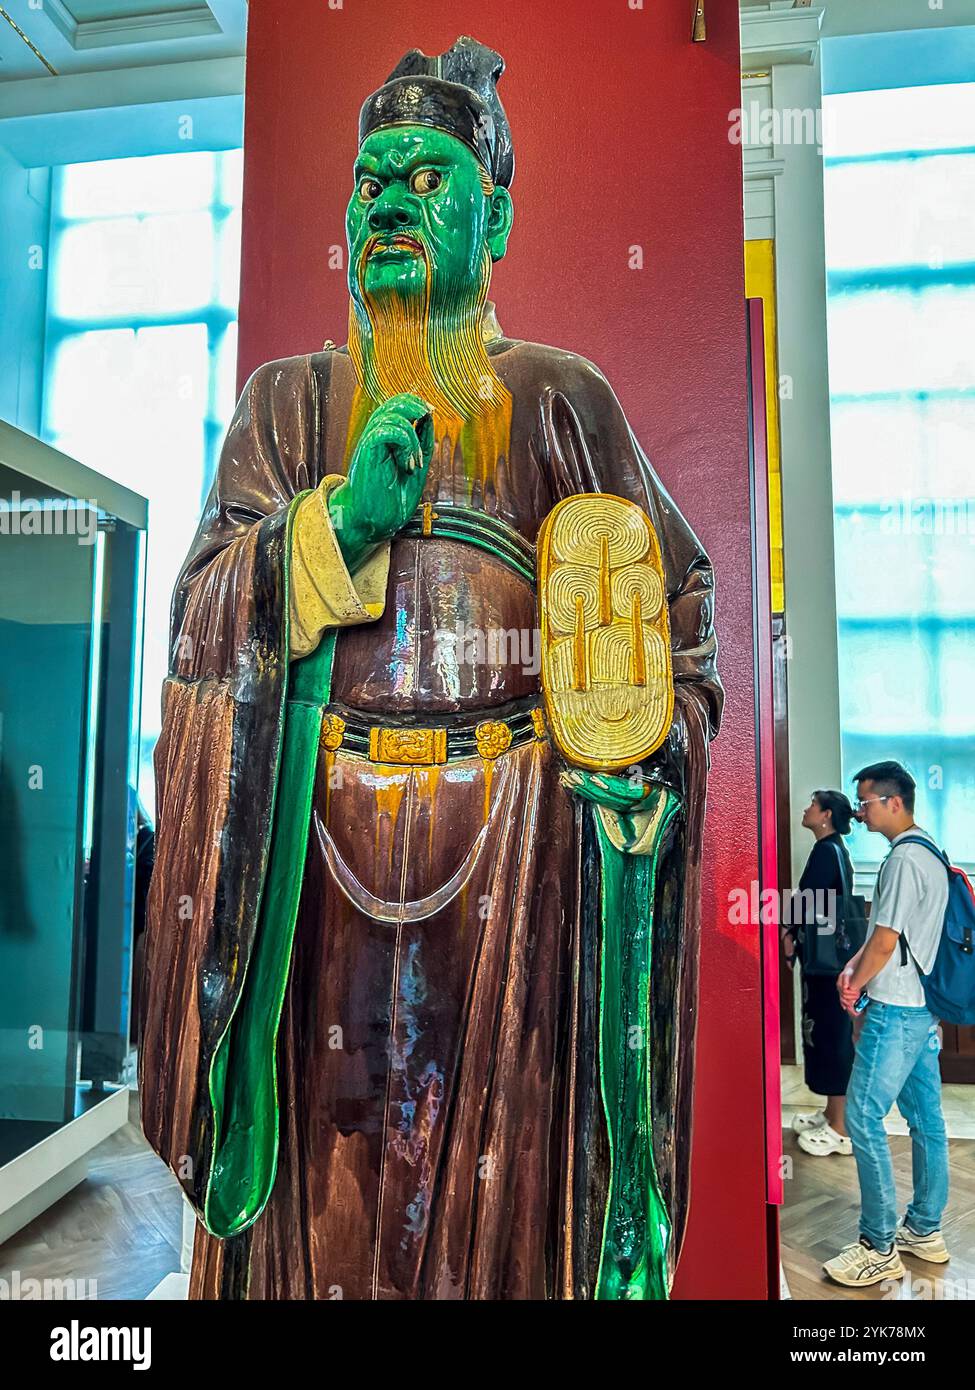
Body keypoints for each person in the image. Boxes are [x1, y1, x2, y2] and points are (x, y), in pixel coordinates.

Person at [138, 37, 722, 1300]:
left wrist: (649, 756)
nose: (390, 198)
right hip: (316, 865)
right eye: (370, 179)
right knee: (322, 1205)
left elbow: (678, 620)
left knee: (497, 1219)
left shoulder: (567, 401)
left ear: (496, 215)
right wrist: (337, 522)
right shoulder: (288, 407)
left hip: (518, 871)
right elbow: (194, 631)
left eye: (427, 174)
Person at [823, 761, 951, 1289]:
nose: (859, 811)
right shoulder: (933, 852)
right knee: (926, 1120)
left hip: (896, 1011)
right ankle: (924, 1228)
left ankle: (879, 1244)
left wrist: (855, 983)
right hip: (924, 1010)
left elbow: (884, 941)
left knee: (863, 1118)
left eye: (866, 802)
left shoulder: (902, 860)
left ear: (894, 802)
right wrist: (856, 966)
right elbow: (887, 936)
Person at [786, 791, 855, 1157]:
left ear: (826, 814)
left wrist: (787, 932)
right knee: (829, 1032)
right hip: (830, 960)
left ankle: (841, 1130)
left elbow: (806, 900)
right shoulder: (835, 849)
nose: (805, 808)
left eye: (811, 804)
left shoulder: (827, 851)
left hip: (825, 964)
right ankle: (832, 1114)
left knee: (830, 1035)